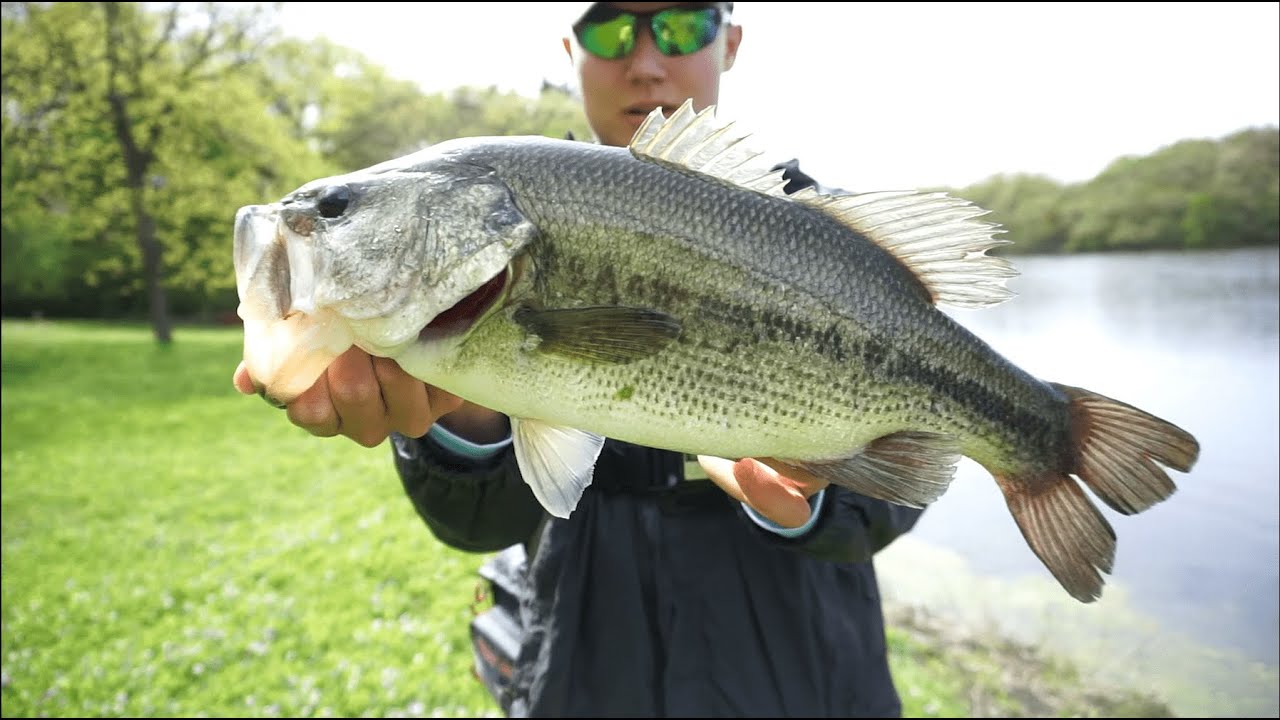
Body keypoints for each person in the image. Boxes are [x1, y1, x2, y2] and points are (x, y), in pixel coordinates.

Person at [234, 2, 923, 716]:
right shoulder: (475, 263)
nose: (647, 61)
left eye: (685, 26)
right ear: (572, 49)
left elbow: (910, 475)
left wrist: (817, 502)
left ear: (733, 42)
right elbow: (476, 527)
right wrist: (467, 425)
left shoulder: (826, 230)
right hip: (585, 667)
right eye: (612, 30)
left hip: (804, 670)